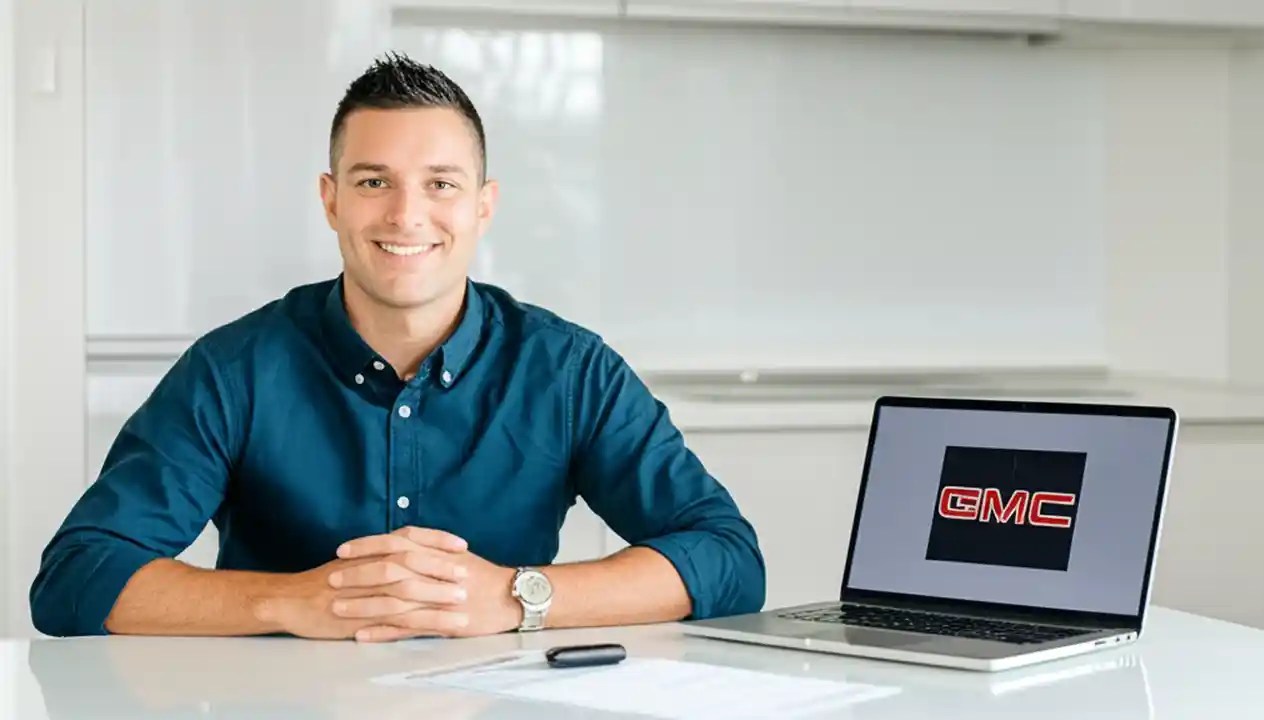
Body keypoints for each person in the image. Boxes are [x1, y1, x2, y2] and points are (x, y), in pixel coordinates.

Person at [29, 52, 765, 640]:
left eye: (440, 183)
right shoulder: (233, 370)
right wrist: (294, 602)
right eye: (374, 180)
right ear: (331, 199)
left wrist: (515, 596)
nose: (406, 214)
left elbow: (727, 559)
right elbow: (77, 577)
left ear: (483, 205)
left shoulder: (570, 371)